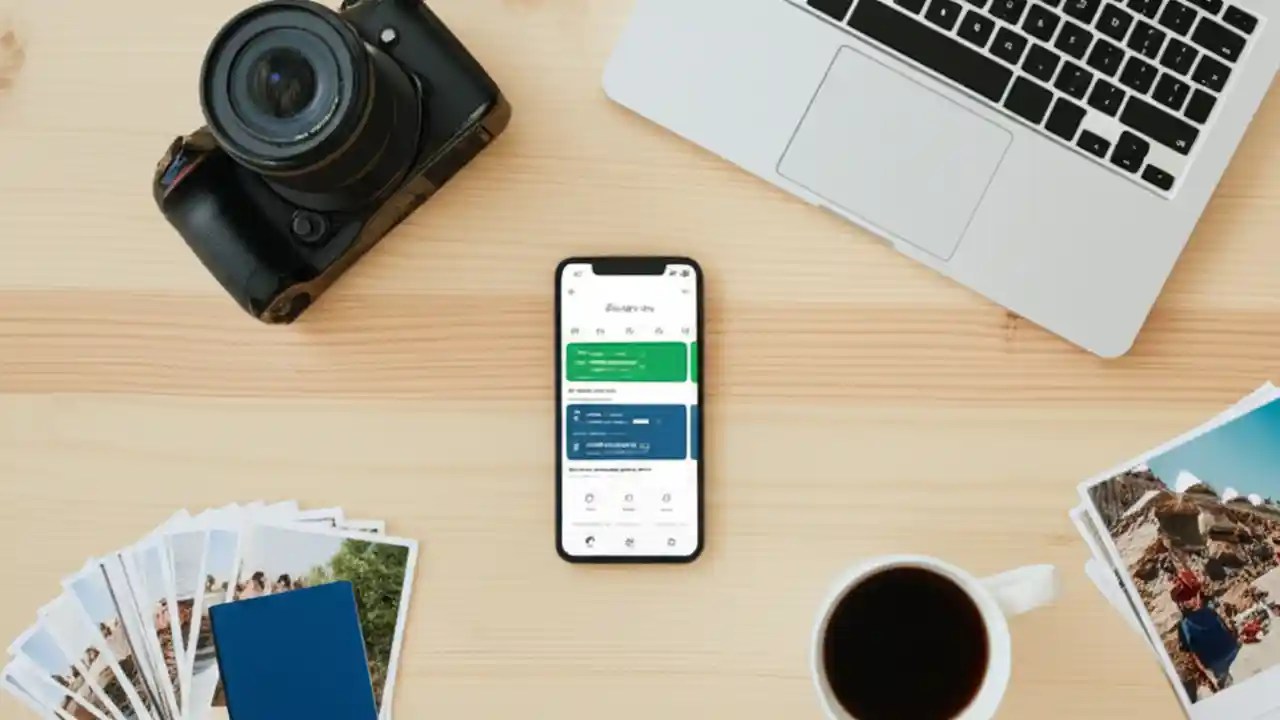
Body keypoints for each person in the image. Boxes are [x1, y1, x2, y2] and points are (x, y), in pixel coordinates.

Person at [1172, 570, 1240, 692]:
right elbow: (1192, 654)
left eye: (1190, 596)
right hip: (1226, 656)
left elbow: (1192, 654)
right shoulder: (1189, 623)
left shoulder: (1187, 624)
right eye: (1185, 598)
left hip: (1225, 656)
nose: (1189, 601)